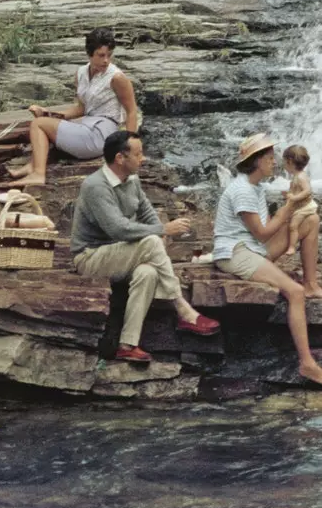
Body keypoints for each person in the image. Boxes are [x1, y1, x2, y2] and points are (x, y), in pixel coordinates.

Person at [70, 130, 220, 365]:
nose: (144, 158)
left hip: (122, 256)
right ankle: (182, 308)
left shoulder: (132, 181)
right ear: (120, 158)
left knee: (148, 272)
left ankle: (127, 344)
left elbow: (149, 215)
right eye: (138, 154)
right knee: (151, 240)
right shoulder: (95, 186)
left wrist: (158, 230)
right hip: (91, 258)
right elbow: (117, 229)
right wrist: (162, 231)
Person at [212, 133, 322, 387]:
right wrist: (289, 209)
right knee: (294, 292)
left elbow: (265, 230)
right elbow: (262, 232)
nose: (274, 162)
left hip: (253, 247)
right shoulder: (243, 191)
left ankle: (312, 283)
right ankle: (307, 364)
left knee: (311, 220)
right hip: (236, 253)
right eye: (269, 158)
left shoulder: (256, 187)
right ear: (256, 162)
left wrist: (293, 213)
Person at [13, 27, 138, 188]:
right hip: (86, 125)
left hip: (102, 134)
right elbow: (80, 109)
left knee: (38, 125)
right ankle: (33, 165)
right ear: (89, 53)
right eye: (101, 55)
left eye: (109, 55)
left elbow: (131, 111)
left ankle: (38, 173)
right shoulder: (81, 73)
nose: (106, 60)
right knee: (42, 122)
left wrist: (131, 148)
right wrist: (49, 114)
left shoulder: (117, 77)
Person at [283, 143, 319, 249]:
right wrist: (288, 194)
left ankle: (292, 247)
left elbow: (308, 191)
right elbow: (297, 190)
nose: (283, 165)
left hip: (305, 207)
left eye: (284, 162)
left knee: (293, 226)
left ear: (289, 162)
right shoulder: (297, 176)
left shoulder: (301, 177)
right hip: (300, 206)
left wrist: (294, 198)